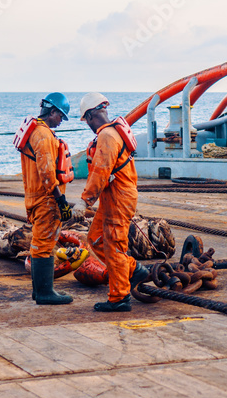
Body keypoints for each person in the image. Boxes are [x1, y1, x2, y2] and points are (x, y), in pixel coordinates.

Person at [73, 92, 149, 312]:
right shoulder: (112, 132)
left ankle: (119, 298)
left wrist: (84, 202)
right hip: (113, 197)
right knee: (95, 238)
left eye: (86, 120)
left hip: (118, 198)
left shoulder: (107, 136)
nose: (87, 124)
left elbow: (100, 172)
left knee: (114, 246)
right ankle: (133, 270)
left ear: (89, 116)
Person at [18, 92, 75, 304]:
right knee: (44, 244)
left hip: (34, 196)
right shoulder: (43, 135)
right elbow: (47, 174)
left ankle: (39, 291)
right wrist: (61, 201)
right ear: (52, 112)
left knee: (39, 242)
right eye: (60, 116)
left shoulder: (33, 131)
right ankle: (44, 293)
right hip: (47, 199)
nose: (61, 122)